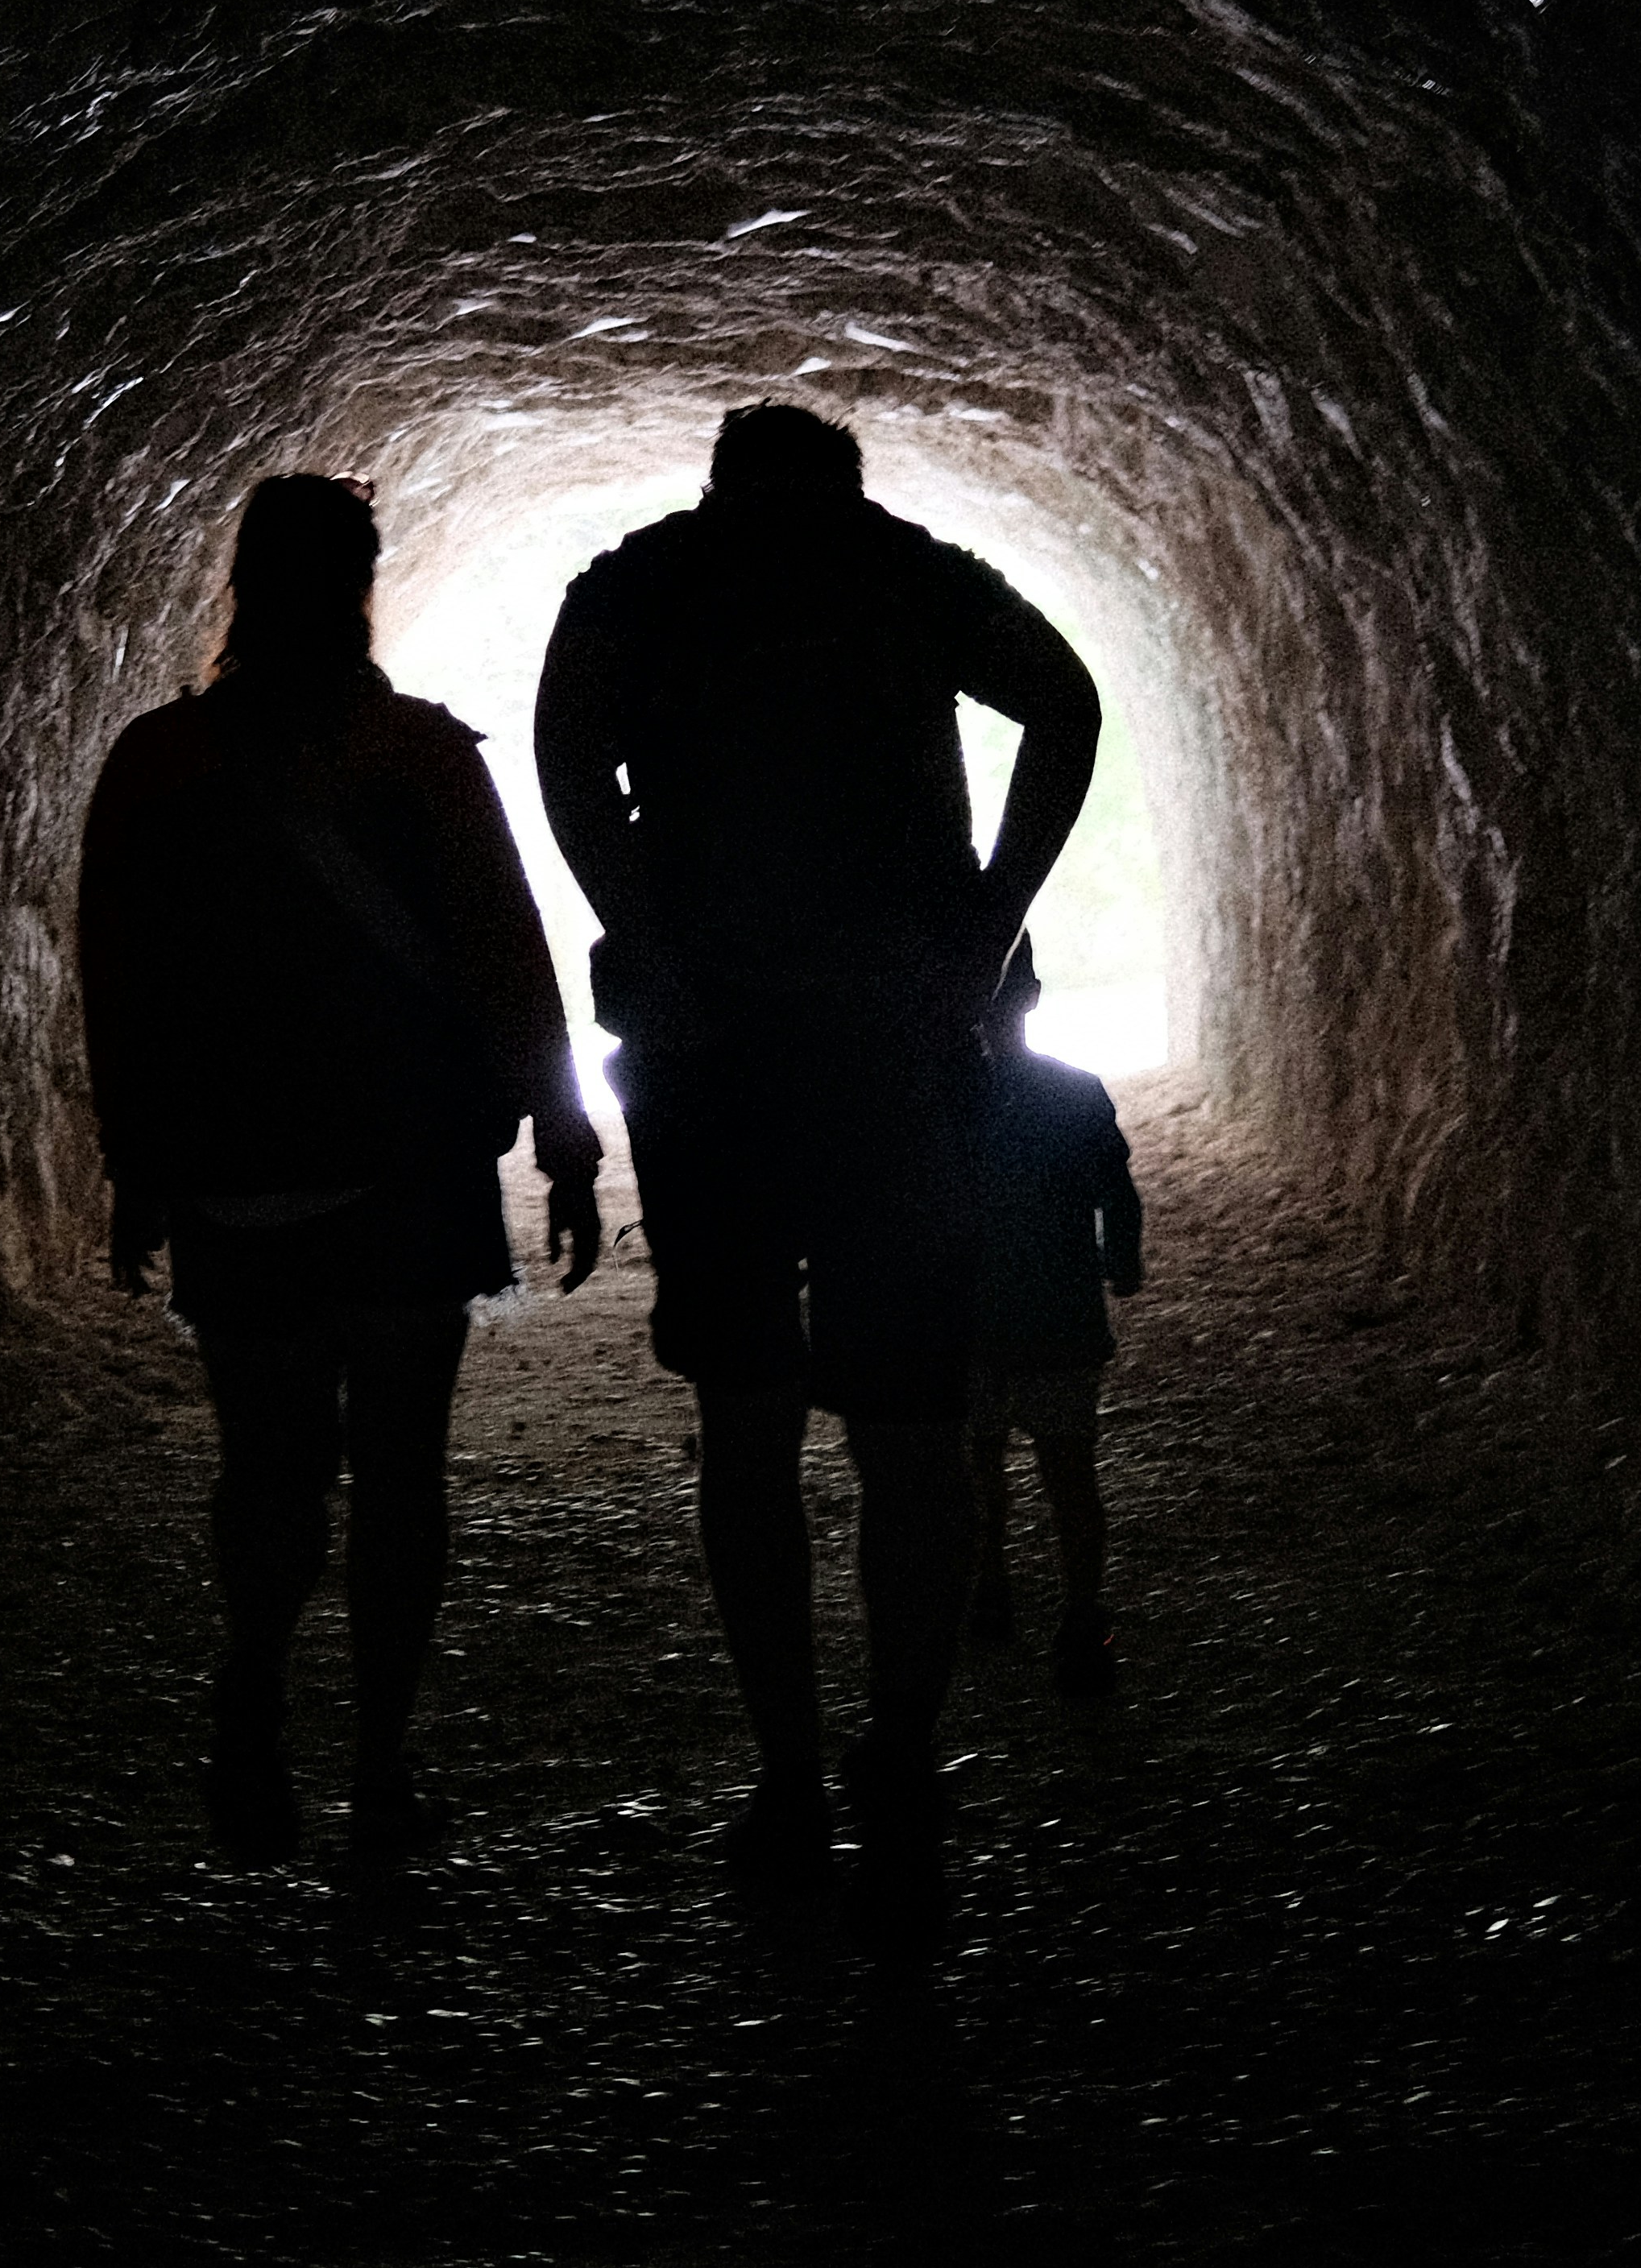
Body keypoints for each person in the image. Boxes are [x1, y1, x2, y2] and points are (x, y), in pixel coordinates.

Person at [532, 404, 1100, 1867]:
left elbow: (567, 758)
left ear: (721, 488)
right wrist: (987, 924)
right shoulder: (910, 573)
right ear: (850, 488)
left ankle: (790, 1761)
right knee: (909, 1420)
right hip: (895, 1052)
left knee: (747, 1418)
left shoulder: (646, 582)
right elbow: (1068, 704)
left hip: (716, 1055)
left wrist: (644, 934)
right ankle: (897, 1747)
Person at [78, 474, 606, 1860]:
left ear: (242, 585)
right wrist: (560, 1134)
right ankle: (378, 1762)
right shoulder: (421, 759)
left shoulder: (157, 764)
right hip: (408, 1173)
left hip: (236, 1174)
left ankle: (251, 1701)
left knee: (268, 1467)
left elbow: (121, 982)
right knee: (401, 1470)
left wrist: (137, 1166)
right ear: (361, 583)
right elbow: (505, 950)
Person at [961, 937, 1142, 1695]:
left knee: (980, 1466)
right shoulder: (1075, 1092)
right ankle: (1081, 1616)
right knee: (1070, 1474)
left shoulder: (939, 1106)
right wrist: (1121, 1262)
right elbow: (1117, 1193)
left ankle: (992, 1586)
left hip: (970, 1319)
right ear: (1033, 995)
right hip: (1060, 1314)